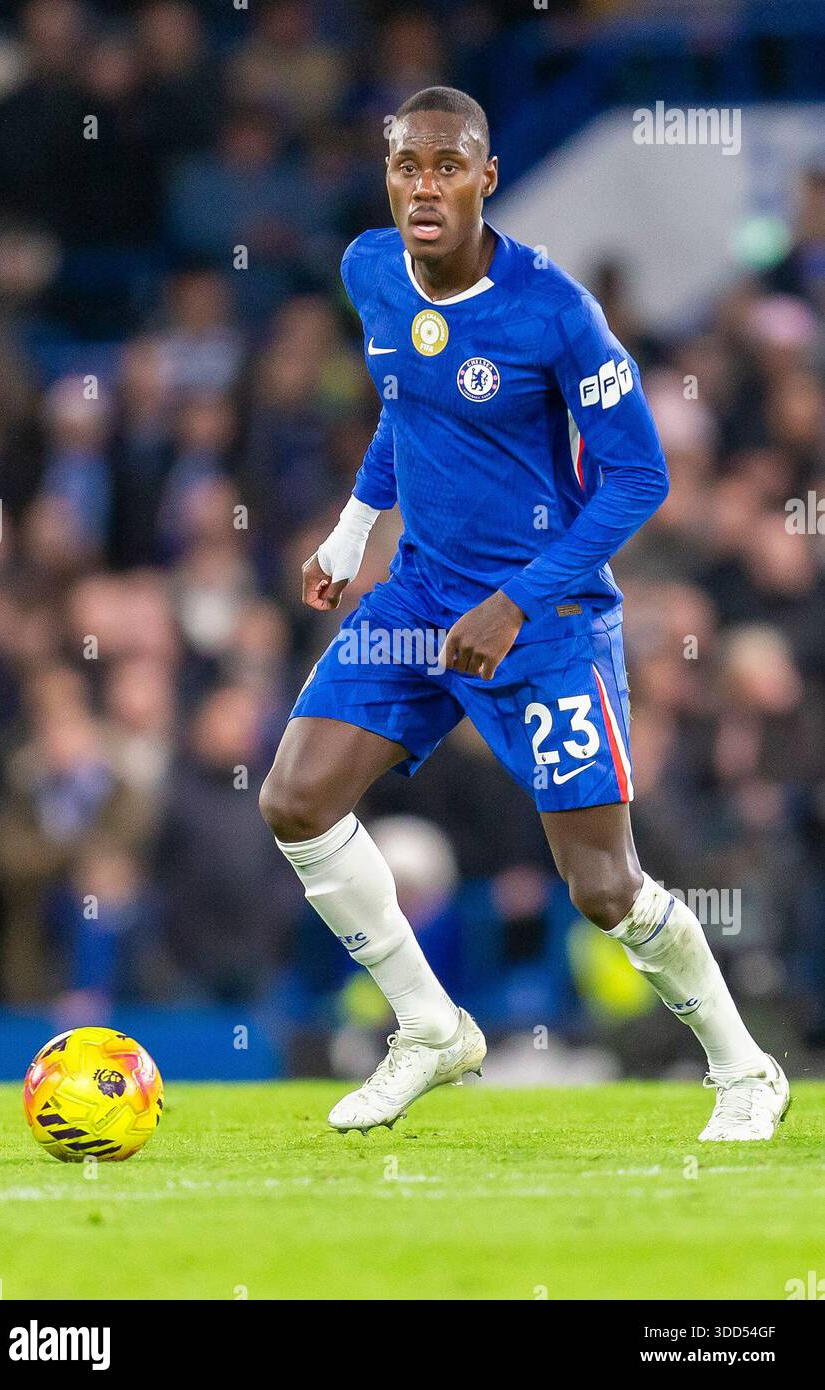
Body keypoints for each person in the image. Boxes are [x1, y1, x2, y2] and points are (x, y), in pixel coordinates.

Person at [259, 86, 789, 1141]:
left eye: (446, 166)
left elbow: (637, 481)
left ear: (484, 179)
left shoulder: (550, 310)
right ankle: (428, 1027)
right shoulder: (368, 268)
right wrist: (352, 527)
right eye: (407, 165)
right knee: (293, 800)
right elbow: (406, 405)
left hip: (544, 623)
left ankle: (743, 1068)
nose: (424, 186)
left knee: (603, 888)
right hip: (417, 598)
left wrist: (516, 599)